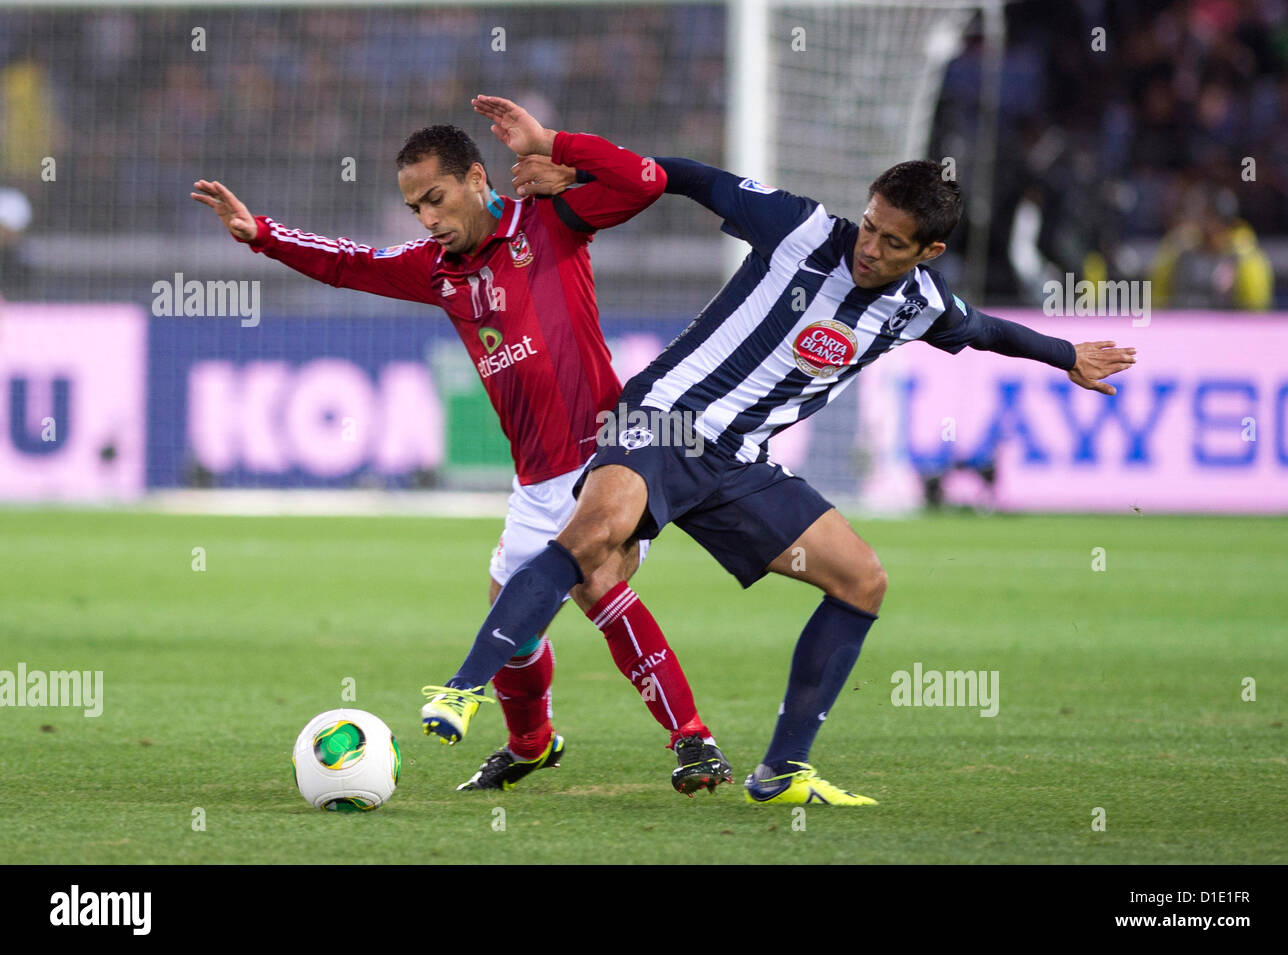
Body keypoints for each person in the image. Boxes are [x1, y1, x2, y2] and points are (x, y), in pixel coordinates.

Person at [428, 144, 1138, 805]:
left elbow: (985, 329)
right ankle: (463, 688)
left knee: (862, 580)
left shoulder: (919, 304)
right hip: (665, 419)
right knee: (593, 538)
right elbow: (689, 178)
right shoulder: (799, 229)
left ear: (929, 251)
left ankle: (783, 769)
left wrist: (1065, 353)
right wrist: (570, 156)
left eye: (893, 242)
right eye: (869, 226)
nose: (869, 247)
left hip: (740, 464)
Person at [191, 95, 732, 796]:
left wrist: (561, 148)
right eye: (416, 206)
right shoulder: (434, 269)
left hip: (610, 456)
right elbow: (350, 263)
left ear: (479, 179)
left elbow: (645, 182)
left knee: (598, 581)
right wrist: (262, 234)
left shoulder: (552, 219)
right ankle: (533, 742)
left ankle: (694, 740)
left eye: (437, 199)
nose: (428, 219)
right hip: (537, 479)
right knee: (508, 607)